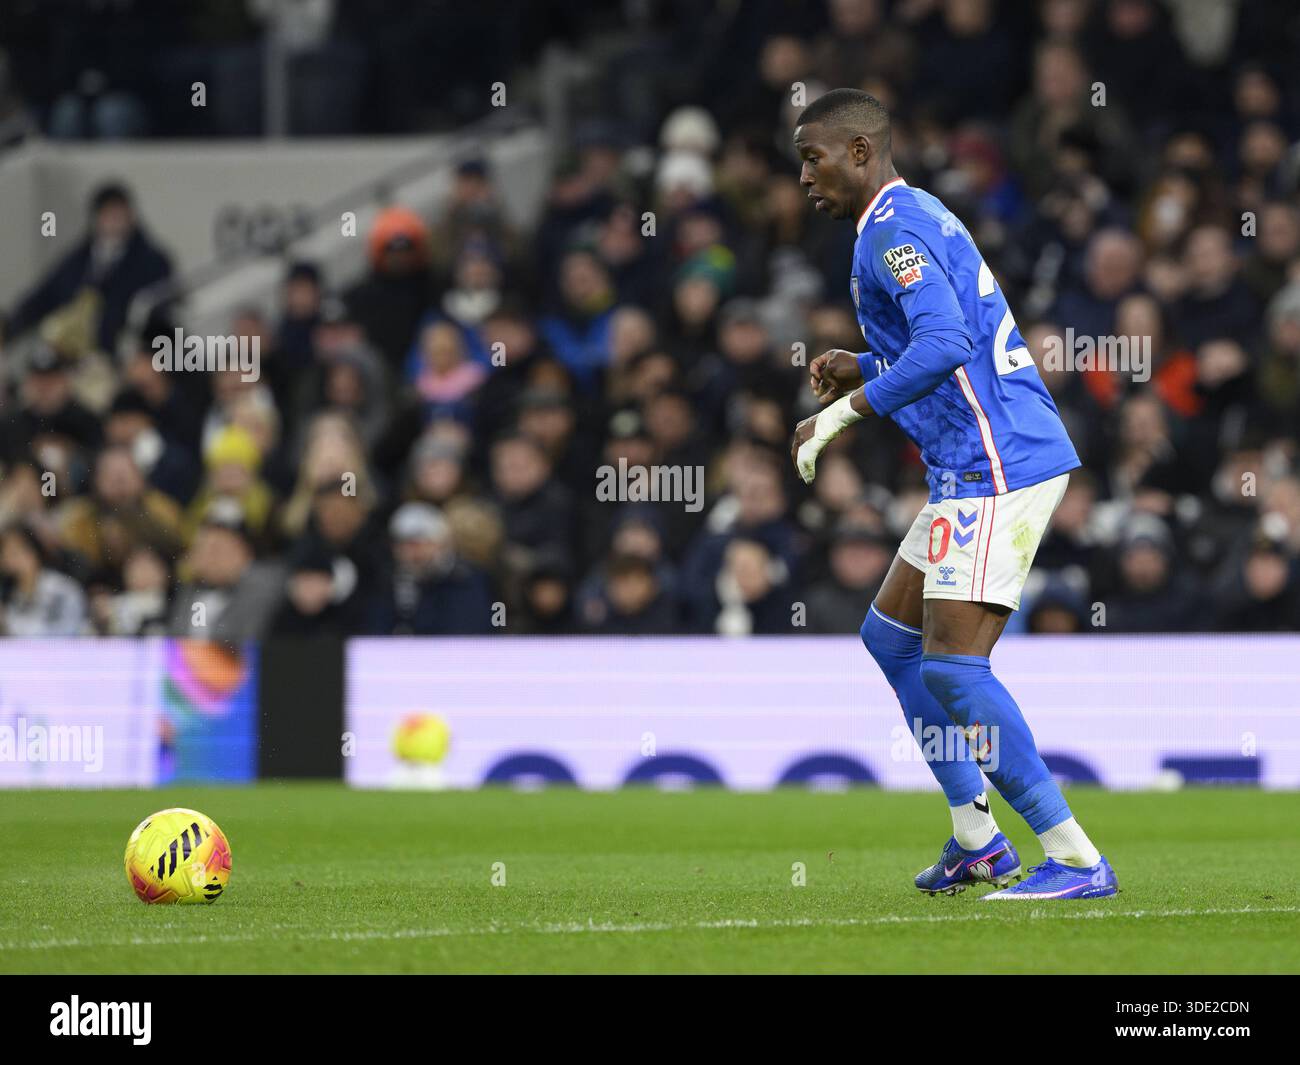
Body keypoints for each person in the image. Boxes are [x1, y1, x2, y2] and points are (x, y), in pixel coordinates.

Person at [789, 88, 1116, 900]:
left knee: (956, 670)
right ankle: (978, 835)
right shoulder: (911, 214)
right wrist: (861, 363)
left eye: (813, 157)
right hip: (972, 462)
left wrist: (844, 413)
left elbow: (946, 341)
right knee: (892, 642)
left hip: (996, 462)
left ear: (860, 151)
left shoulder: (894, 232)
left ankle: (1074, 856)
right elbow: (945, 344)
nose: (803, 176)